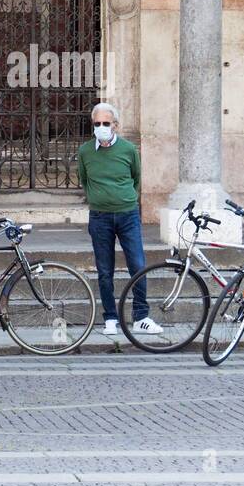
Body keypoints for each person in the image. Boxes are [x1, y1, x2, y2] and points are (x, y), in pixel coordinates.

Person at [79, 102, 160, 337]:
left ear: (115, 125)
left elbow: (136, 178)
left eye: (106, 123)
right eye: (97, 124)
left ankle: (141, 316)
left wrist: (124, 198)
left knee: (137, 264)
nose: (102, 127)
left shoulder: (127, 149)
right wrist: (100, 198)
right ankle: (111, 318)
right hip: (99, 217)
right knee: (105, 271)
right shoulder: (85, 151)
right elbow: (84, 179)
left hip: (128, 215)